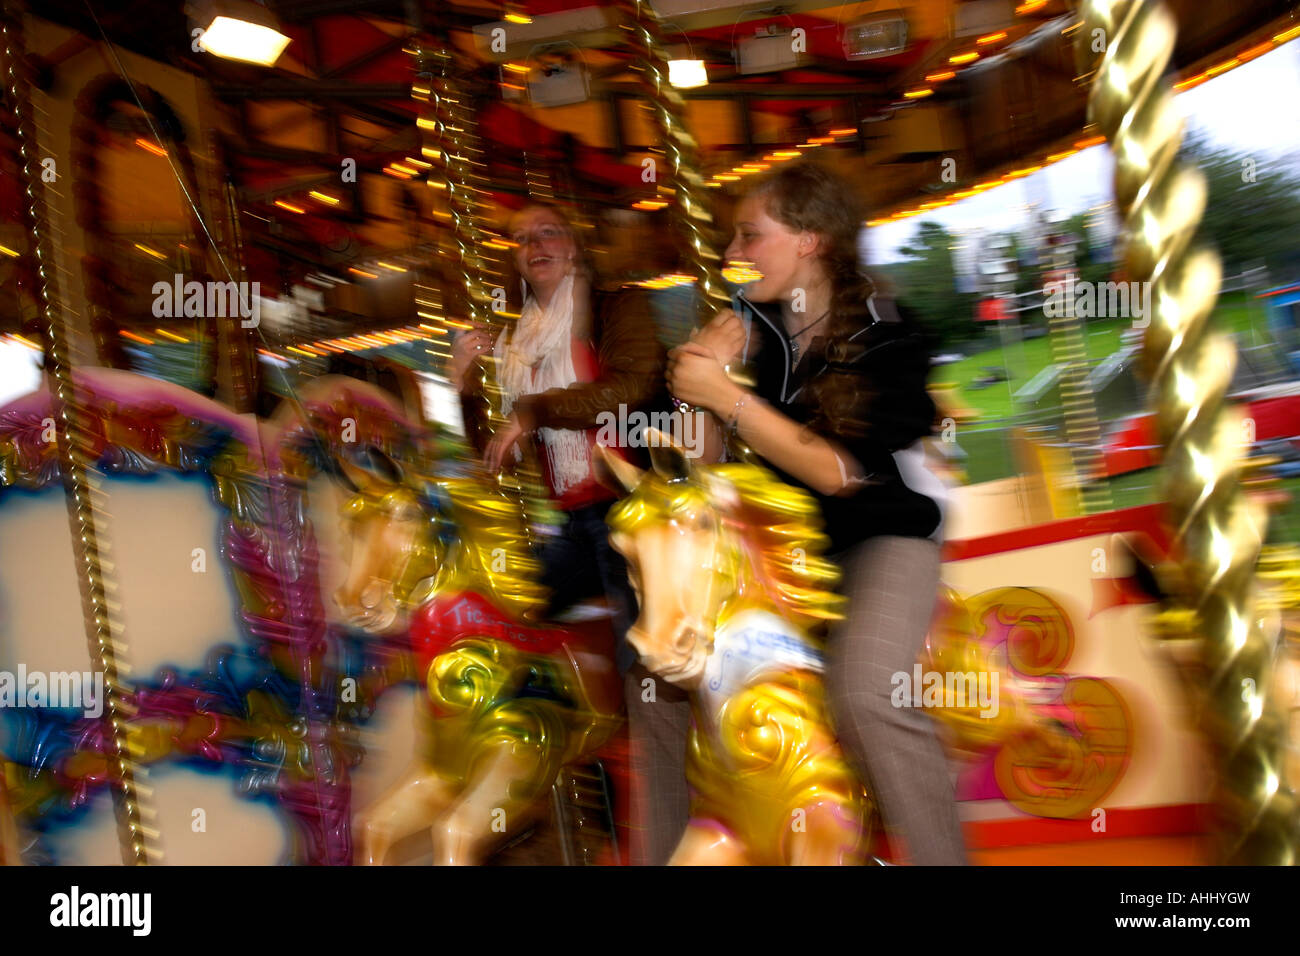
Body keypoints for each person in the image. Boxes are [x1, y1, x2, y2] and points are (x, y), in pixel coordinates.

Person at [665, 161, 968, 865]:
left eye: (750, 235)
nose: (732, 254)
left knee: (866, 694)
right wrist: (697, 389)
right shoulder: (750, 333)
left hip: (878, 539)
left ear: (811, 240)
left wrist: (730, 397)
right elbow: (706, 472)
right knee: (678, 695)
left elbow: (840, 473)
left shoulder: (887, 331)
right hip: (783, 556)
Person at [448, 202, 680, 865]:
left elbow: (630, 386)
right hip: (577, 522)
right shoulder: (519, 344)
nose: (535, 244)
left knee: (648, 662)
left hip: (639, 510)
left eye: (549, 231)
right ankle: (544, 771)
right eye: (522, 239)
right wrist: (467, 390)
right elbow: (500, 457)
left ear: (575, 246)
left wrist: (532, 411)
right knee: (503, 616)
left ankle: (660, 793)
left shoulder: (616, 308)